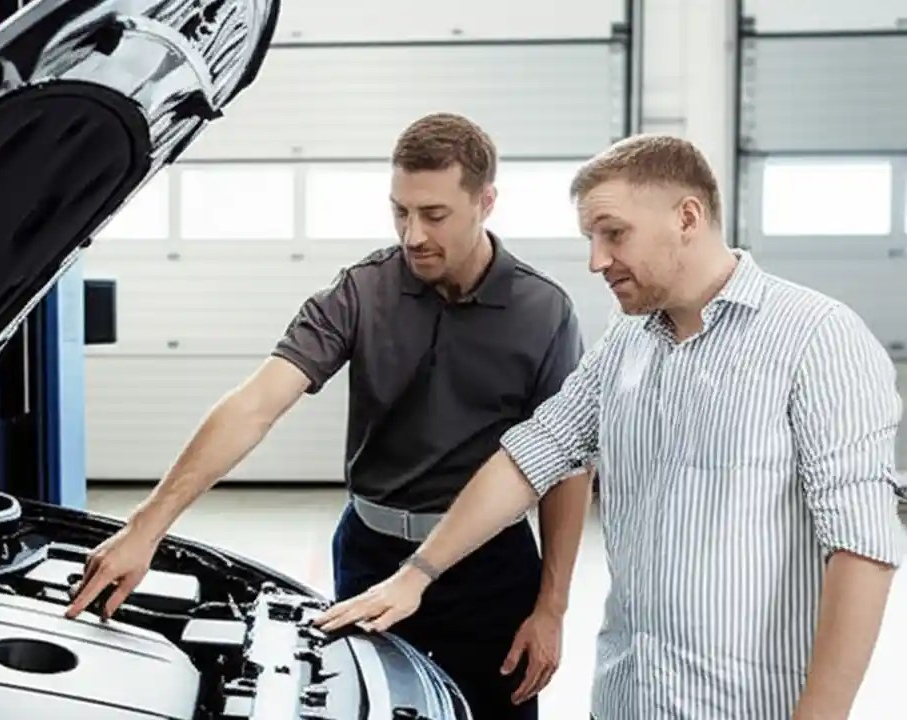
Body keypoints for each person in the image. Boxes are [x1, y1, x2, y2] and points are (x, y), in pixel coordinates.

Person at [313, 133, 907, 720]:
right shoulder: (625, 344)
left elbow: (860, 550)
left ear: (688, 217)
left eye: (613, 233)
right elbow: (530, 457)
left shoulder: (817, 338)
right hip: (628, 696)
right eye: (590, 238)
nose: (597, 260)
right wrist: (417, 573)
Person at [63, 112, 596, 718]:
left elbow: (566, 467)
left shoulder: (542, 310)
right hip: (370, 557)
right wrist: (146, 525)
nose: (412, 234)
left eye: (434, 214)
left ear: (486, 202)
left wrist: (551, 607)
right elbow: (256, 403)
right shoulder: (361, 291)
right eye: (400, 211)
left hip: (490, 572)